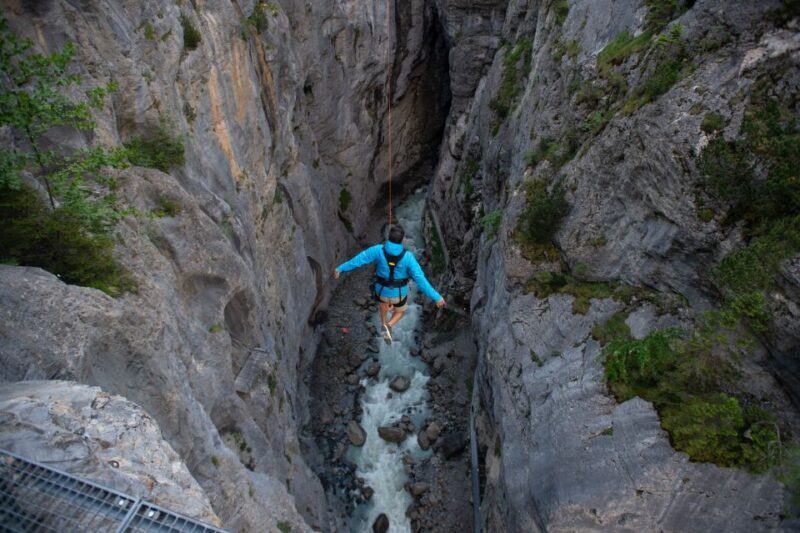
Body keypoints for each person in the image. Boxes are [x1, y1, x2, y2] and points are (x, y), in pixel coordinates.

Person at [333, 225, 445, 343]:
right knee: (400, 311)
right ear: (402, 240)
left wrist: (340, 269)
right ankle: (389, 325)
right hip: (399, 293)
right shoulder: (408, 257)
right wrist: (436, 297)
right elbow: (420, 280)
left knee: (384, 304)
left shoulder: (378, 250)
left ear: (388, 237)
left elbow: (360, 259)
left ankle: (383, 323)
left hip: (381, 291)